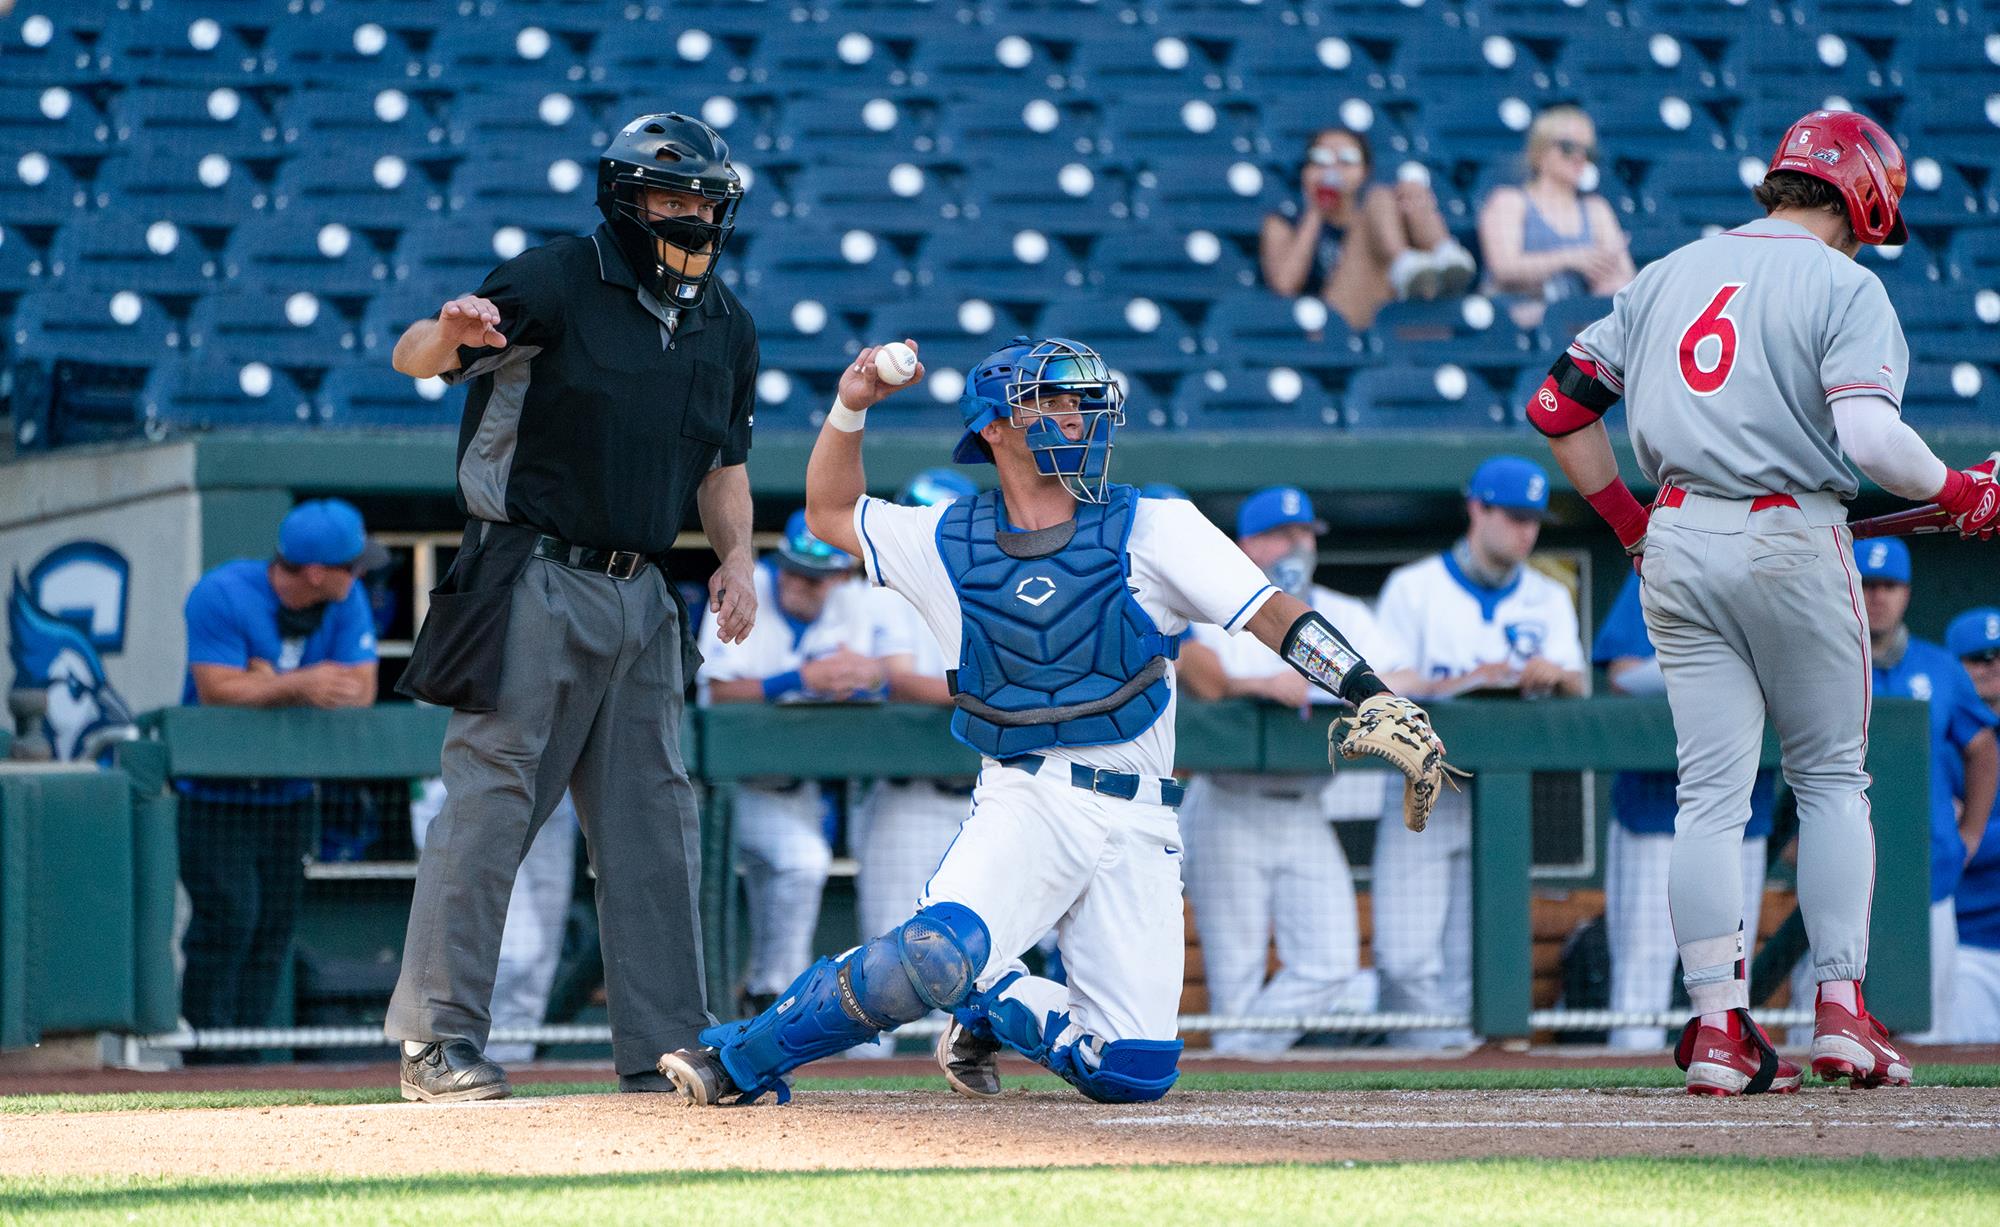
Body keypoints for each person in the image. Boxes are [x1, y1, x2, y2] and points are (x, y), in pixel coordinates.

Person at [654, 334, 1457, 1105]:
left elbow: (1275, 615)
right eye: (1052, 402)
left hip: (1141, 813)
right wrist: (851, 405)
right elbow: (832, 513)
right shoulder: (948, 537)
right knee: (935, 952)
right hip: (1027, 796)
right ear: (995, 427)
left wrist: (1368, 690)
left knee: (1134, 1072)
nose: (1077, 417)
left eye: (1083, 402)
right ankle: (740, 1056)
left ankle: (994, 997)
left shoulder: (1155, 522)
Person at [1531, 108, 2000, 1094]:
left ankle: (1715, 1031)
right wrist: (1959, 493)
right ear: (1862, 197)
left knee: (1708, 794)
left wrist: (1627, 525)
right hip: (1791, 531)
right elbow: (1871, 444)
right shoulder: (1844, 284)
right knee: (1831, 779)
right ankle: (1839, 1013)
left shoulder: (1663, 274)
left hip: (1677, 537)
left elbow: (1557, 407)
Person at [382, 112, 759, 1102]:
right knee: (490, 810)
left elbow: (725, 463)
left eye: (706, 201)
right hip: (531, 574)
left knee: (655, 824)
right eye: (675, 198)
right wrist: (448, 333)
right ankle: (435, 1039)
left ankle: (667, 1046)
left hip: (645, 594)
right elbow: (414, 359)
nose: (693, 217)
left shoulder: (725, 320)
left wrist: (738, 560)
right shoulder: (553, 277)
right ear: (626, 200)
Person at [1368, 455, 1587, 1048]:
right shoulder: (1414, 588)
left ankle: (1470, 1085)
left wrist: (1554, 676)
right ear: (1477, 508)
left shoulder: (1547, 596)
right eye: (1513, 516)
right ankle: (1413, 1067)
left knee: (1482, 957)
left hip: (1503, 800)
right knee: (1406, 956)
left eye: (1534, 520)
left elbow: (1582, 684)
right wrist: (1465, 680)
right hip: (1425, 791)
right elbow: (1384, 685)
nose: (1526, 531)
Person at [1175, 486, 1385, 1054]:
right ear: (1247, 545)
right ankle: (1238, 1095)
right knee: (1235, 971)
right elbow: (1208, 683)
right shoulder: (1211, 607)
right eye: (1281, 534)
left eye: (1305, 534)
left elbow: (1397, 687)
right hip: (1227, 802)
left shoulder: (1347, 614)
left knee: (1332, 963)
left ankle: (1238, 1056)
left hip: (1306, 806)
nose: (1297, 545)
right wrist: (1261, 684)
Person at [177, 499, 379, 1049]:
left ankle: (249, 1059)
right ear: (316, 572)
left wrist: (265, 682)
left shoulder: (346, 597)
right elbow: (217, 690)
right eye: (351, 565)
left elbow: (359, 692)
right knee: (228, 921)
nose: (361, 574)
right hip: (214, 795)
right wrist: (300, 685)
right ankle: (205, 1058)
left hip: (289, 795)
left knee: (272, 930)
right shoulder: (222, 592)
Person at [1798, 541, 1995, 1044]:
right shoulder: (1818, 661)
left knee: (1931, 1036)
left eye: (1889, 586)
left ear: (1906, 593)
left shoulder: (1941, 667)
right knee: (1820, 1028)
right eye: (1866, 583)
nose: (1877, 596)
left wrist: (1969, 834)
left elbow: (1982, 747)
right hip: (1838, 878)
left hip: (1926, 875)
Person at [698, 509, 894, 1014]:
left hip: (800, 787)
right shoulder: (747, 588)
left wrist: (864, 679)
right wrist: (801, 678)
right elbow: (717, 693)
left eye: (817, 577)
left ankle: (767, 994)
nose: (803, 584)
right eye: (795, 570)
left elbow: (875, 678)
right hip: (729, 790)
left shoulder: (851, 599)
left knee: (790, 872)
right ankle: (773, 993)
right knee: (802, 861)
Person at [1592, 570, 1778, 1051]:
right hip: (1656, 807)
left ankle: (1730, 1056)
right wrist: (1705, 666)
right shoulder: (1658, 564)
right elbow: (1620, 674)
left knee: (1732, 963)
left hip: (1744, 807)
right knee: (1644, 958)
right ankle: (1628, 1091)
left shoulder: (1772, 568)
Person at [848, 467, 980, 1057]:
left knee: (972, 955)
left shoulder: (986, 592)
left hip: (980, 802)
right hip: (908, 798)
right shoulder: (881, 593)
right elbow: (899, 678)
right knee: (885, 951)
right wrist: (981, 691)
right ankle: (853, 1081)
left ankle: (959, 1065)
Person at [409, 781, 578, 1065]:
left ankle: (512, 1066)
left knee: (540, 965)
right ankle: (449, 1050)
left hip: (554, 786)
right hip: (468, 784)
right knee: (521, 952)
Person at [1261, 126, 1477, 330]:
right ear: (1305, 170)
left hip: (1393, 313)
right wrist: (1316, 212)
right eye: (1321, 160)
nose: (1333, 169)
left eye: (1347, 160)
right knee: (1380, 197)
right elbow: (1284, 286)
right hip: (1331, 322)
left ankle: (1447, 254)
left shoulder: (1382, 212)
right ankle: (1406, 263)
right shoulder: (1284, 222)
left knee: (1405, 195)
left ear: (1365, 171)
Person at [1477, 104, 1634, 328]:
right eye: (1568, 148)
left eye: (1587, 152)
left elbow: (1625, 277)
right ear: (1540, 152)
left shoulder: (1596, 208)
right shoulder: (1509, 201)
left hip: (1583, 321)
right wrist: (1572, 259)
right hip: (1521, 317)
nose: (1580, 158)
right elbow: (1504, 268)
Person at [1948, 608, 2000, 1042]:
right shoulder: (1941, 739)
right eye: (1979, 657)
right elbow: (1940, 846)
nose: (1993, 665)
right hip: (1964, 948)